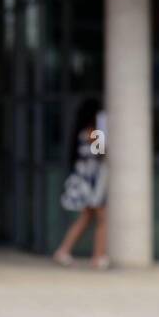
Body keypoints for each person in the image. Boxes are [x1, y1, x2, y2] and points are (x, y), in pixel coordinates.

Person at [52, 98, 109, 270]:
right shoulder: (93, 131)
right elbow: (101, 152)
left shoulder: (81, 131)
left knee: (87, 218)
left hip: (85, 179)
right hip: (92, 181)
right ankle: (98, 257)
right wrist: (104, 129)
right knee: (101, 218)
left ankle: (64, 251)